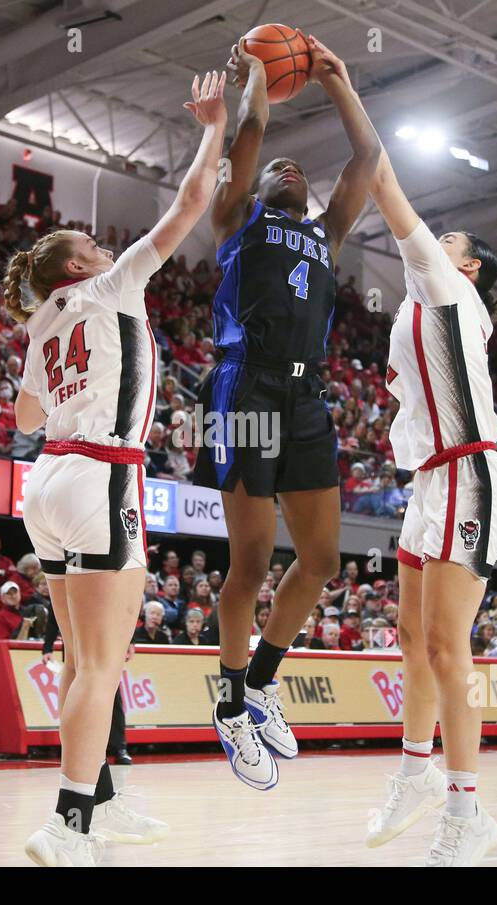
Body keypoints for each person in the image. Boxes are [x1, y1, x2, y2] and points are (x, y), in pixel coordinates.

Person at [12, 71, 225, 865]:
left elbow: (26, 419)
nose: (105, 249)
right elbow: (192, 204)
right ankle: (66, 825)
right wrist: (214, 126)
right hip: (103, 476)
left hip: (49, 479)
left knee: (82, 660)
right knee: (101, 664)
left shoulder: (40, 320)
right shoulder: (109, 285)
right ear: (76, 267)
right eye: (92, 247)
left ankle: (98, 799)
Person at [191, 37, 381, 791]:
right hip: (246, 388)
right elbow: (253, 133)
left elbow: (366, 158)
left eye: (299, 171)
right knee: (249, 563)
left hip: (307, 396)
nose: (288, 168)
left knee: (325, 561)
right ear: (254, 183)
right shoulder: (235, 219)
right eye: (277, 169)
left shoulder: (326, 234)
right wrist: (259, 79)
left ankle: (263, 678)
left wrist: (337, 81)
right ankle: (231, 703)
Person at [361, 145, 497, 866]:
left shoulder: (451, 292)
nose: (434, 236)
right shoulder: (420, 303)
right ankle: (414, 770)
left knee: (450, 648)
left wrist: (338, 83)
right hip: (429, 480)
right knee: (413, 642)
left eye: (448, 238)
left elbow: (384, 179)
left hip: (471, 472)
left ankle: (466, 809)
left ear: (470, 267)